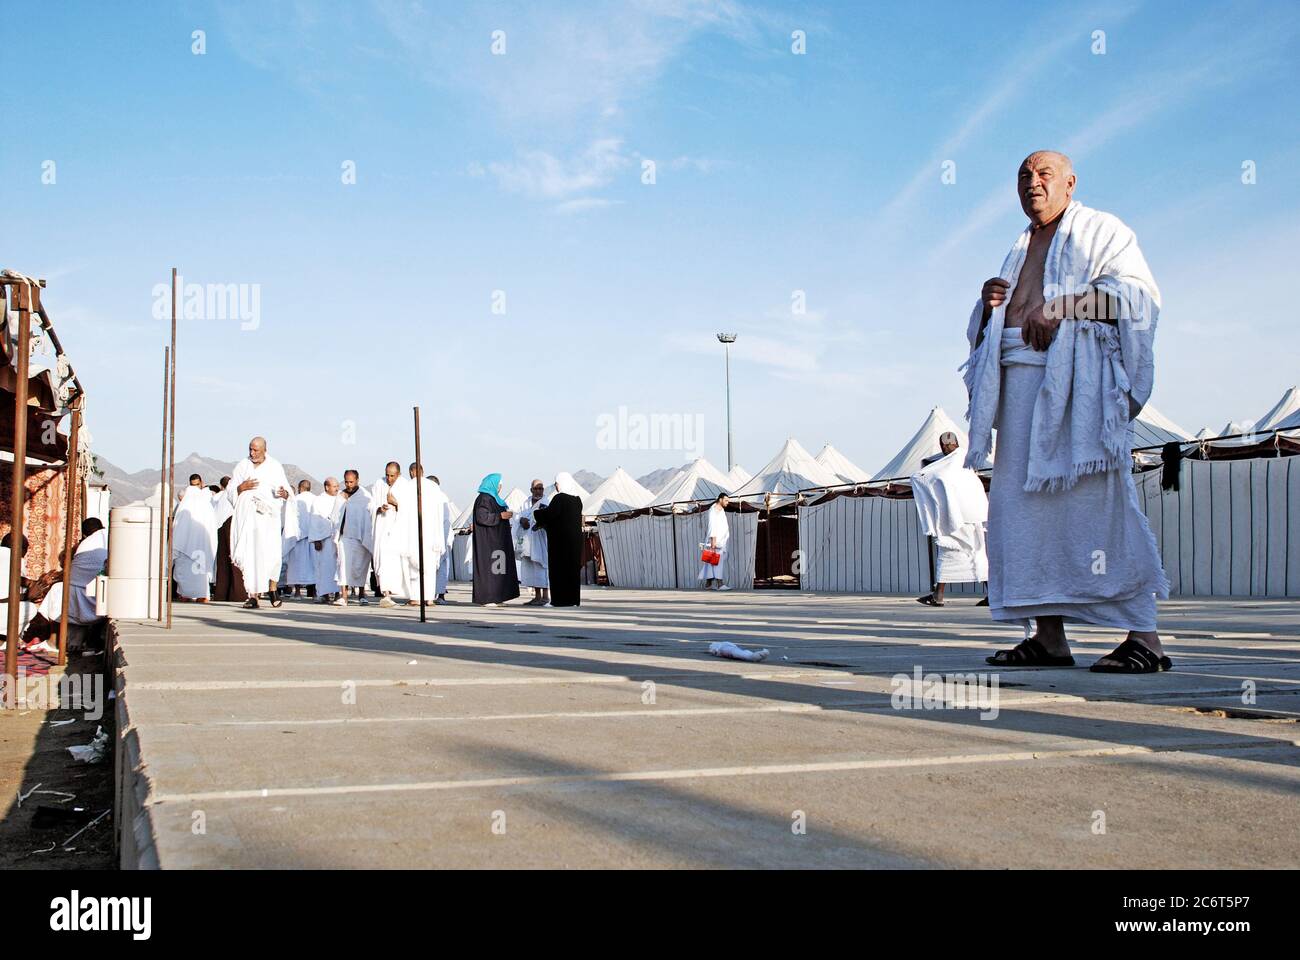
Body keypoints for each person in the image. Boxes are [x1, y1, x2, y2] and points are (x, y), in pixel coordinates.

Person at [965, 151, 1170, 673]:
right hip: (1017, 389)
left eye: (1044, 174)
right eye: (1024, 176)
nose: (1032, 183)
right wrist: (987, 306)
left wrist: (1063, 306)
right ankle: (1049, 638)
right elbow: (983, 333)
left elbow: (1138, 298)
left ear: (1070, 183)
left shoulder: (1102, 231)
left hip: (1074, 393)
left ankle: (1146, 639)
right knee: (1020, 510)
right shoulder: (1017, 249)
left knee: (1096, 505)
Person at [912, 433, 989, 607]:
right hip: (974, 515)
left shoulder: (950, 464)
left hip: (959, 517)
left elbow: (924, 477)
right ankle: (992, 594)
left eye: (943, 446)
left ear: (944, 446)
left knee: (948, 552)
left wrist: (921, 472)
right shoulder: (967, 460)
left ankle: (937, 596)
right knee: (977, 553)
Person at [21, 519, 109, 656]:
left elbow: (71, 574)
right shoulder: (107, 538)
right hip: (96, 596)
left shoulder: (84, 544)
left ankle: (54, 640)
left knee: (56, 589)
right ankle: (89, 643)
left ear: (84, 535)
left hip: (78, 596)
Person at [228, 436, 292, 609]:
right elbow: (230, 490)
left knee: (271, 554)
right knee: (251, 556)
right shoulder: (242, 465)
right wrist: (241, 488)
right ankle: (253, 596)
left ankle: (272, 589)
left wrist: (284, 494)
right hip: (248, 518)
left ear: (265, 449)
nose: (252, 453)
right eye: (250, 449)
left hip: (268, 518)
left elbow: (287, 491)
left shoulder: (274, 466)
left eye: (256, 450)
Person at [532, 473, 584, 607]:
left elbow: (550, 514)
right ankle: (573, 600)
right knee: (572, 571)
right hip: (574, 543)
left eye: (557, 483)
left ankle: (559, 600)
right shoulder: (578, 501)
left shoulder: (559, 498)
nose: (555, 485)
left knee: (559, 571)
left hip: (560, 543)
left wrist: (537, 512)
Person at [399, 463, 447, 607]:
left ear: (412, 472)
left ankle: (415, 597)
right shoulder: (434, 488)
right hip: (432, 533)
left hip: (413, 533)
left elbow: (402, 513)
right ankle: (429, 598)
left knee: (414, 567)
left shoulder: (407, 487)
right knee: (430, 568)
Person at [471, 472, 519, 606]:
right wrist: (500, 516)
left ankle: (498, 596)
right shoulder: (484, 498)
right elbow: (482, 517)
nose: (500, 488)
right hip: (488, 542)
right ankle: (488, 597)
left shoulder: (495, 499)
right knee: (489, 570)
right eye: (498, 485)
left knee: (499, 570)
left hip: (498, 541)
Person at [173, 473, 217, 602]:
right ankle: (200, 595)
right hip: (202, 546)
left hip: (186, 545)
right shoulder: (205, 502)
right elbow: (212, 525)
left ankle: (187, 594)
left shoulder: (185, 504)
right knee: (199, 571)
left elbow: (177, 527)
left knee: (186, 569)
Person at [369, 461, 406, 607]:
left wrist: (396, 503)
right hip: (382, 530)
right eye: (387, 475)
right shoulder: (379, 484)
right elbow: (370, 505)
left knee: (396, 562)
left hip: (398, 531)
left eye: (392, 476)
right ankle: (385, 594)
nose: (389, 478)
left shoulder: (404, 486)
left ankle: (398, 593)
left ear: (398, 474)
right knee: (382, 561)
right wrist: (379, 508)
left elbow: (410, 509)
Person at [335, 470, 373, 606]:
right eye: (346, 482)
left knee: (361, 567)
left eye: (351, 482)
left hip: (361, 537)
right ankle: (343, 596)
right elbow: (335, 517)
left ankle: (361, 594)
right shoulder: (340, 496)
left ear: (357, 480)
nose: (349, 484)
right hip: (345, 537)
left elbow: (369, 515)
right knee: (343, 565)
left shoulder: (365, 496)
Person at [308, 476, 343, 605]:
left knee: (339, 566)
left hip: (338, 539)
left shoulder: (341, 499)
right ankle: (324, 594)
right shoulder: (319, 500)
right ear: (327, 487)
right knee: (324, 567)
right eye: (334, 486)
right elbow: (315, 521)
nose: (337, 488)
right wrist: (317, 539)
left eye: (337, 486)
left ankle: (339, 593)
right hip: (324, 541)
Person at [211, 475, 246, 603]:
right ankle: (238, 594)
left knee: (223, 562)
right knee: (236, 561)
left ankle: (221, 593)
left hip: (219, 528)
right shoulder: (236, 495)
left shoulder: (218, 497)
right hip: (232, 526)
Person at [516, 479, 550, 605]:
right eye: (536, 488)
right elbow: (518, 517)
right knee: (531, 567)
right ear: (531, 490)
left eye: (541, 488)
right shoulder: (525, 503)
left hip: (541, 540)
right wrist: (521, 520)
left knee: (542, 566)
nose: (538, 491)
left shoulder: (546, 503)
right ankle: (537, 596)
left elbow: (549, 520)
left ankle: (545, 596)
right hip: (528, 541)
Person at [283, 479, 316, 598]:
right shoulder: (316, 499)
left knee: (296, 565)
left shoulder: (295, 500)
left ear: (300, 488)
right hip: (313, 538)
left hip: (297, 537)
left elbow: (290, 519)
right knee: (314, 565)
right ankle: (315, 593)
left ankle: (297, 592)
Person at [698, 493, 732, 591]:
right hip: (716, 541)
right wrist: (713, 541)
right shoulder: (713, 510)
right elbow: (712, 525)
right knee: (717, 562)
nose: (727, 502)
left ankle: (708, 584)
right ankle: (720, 584)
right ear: (720, 499)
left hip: (720, 540)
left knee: (711, 562)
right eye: (726, 500)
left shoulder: (721, 510)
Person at [429, 475, 454, 604]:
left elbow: (443, 521)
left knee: (441, 566)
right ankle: (432, 594)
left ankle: (440, 594)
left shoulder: (441, 497)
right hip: (436, 537)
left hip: (441, 537)